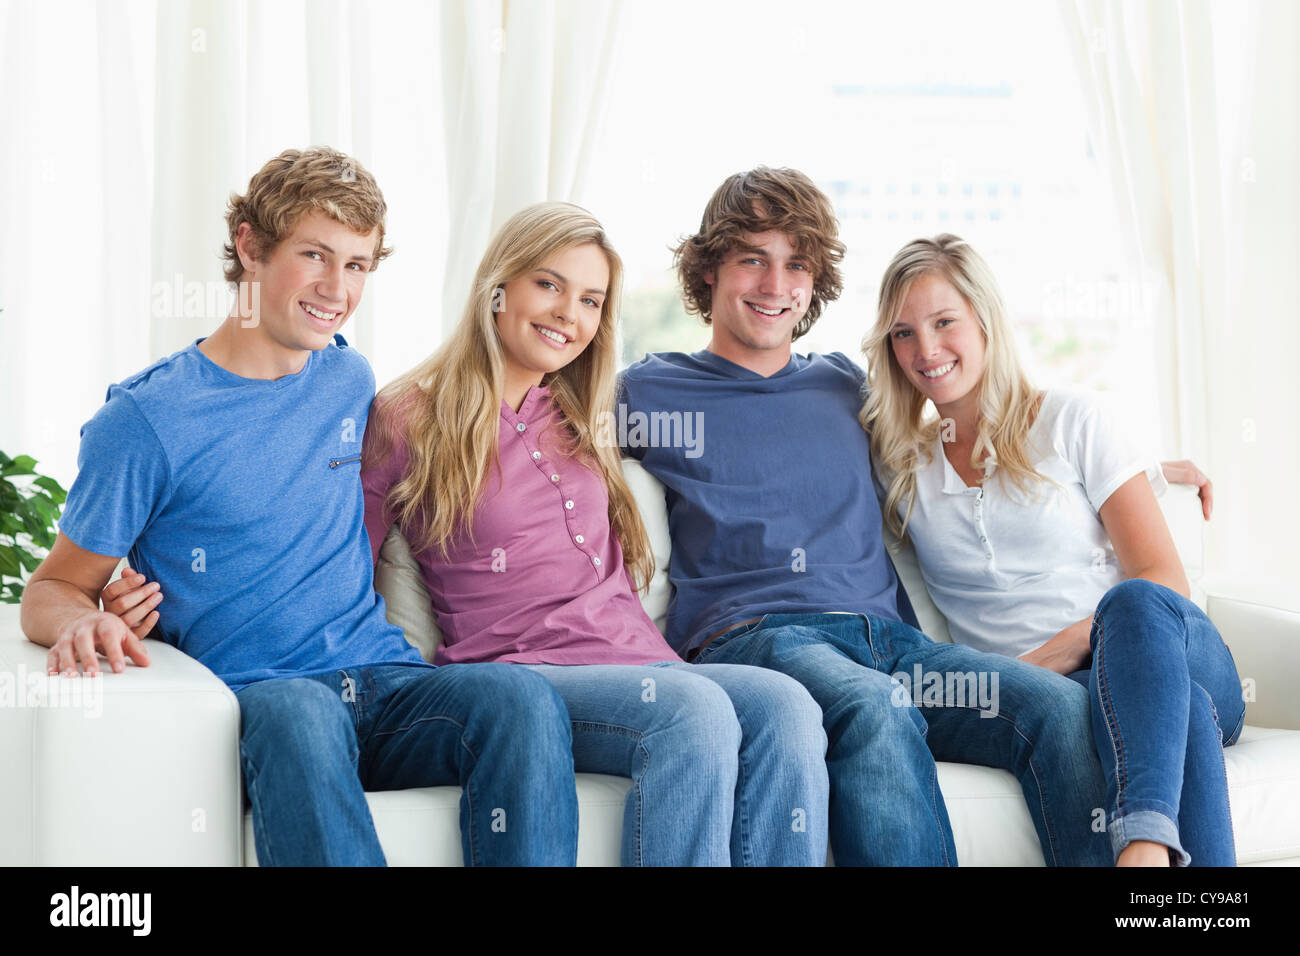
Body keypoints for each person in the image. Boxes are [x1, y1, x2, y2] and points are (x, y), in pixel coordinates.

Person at [25, 147, 580, 866]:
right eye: (315, 255)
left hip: (387, 687)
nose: (336, 287)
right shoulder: (146, 420)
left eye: (357, 265)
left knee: (520, 700)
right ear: (251, 245)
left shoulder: (348, 377)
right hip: (270, 700)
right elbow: (54, 585)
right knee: (301, 711)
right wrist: (85, 618)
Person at [617, 166, 1120, 865]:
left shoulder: (845, 388)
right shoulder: (648, 390)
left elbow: (968, 422)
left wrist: (1147, 474)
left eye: (796, 264)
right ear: (708, 271)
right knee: (875, 710)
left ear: (815, 284)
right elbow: (525, 435)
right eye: (751, 260)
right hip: (759, 642)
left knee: (1055, 709)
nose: (774, 284)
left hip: (895, 648)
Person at [356, 201, 829, 866]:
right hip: (527, 676)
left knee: (785, 705)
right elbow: (339, 554)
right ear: (499, 285)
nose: (567, 315)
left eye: (590, 300)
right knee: (692, 711)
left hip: (645, 663)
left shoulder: (585, 413)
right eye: (548, 285)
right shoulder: (408, 414)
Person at [860, 234, 1244, 866]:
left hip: (1163, 653)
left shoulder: (1072, 421)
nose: (925, 350)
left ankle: (1143, 849)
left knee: (1137, 601)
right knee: (1183, 717)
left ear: (985, 321)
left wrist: (1062, 650)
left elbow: (1167, 581)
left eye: (944, 322)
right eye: (903, 333)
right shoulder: (905, 467)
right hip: (1121, 698)